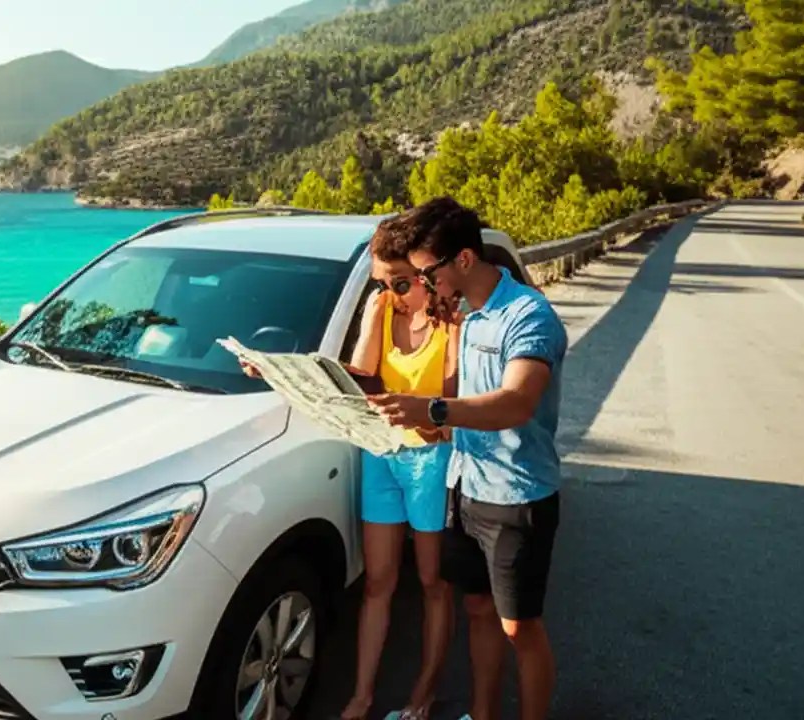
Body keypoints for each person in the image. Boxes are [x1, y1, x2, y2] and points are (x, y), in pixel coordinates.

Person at [243, 216, 460, 720]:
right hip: (381, 451)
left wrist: (419, 414)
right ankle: (361, 697)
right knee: (379, 582)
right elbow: (358, 376)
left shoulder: (455, 323)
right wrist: (280, 370)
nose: (390, 293)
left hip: (431, 458)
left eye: (400, 282)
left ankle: (422, 694)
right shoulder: (380, 308)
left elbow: (448, 410)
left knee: (432, 582)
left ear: (427, 274)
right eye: (381, 282)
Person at [366, 197, 567, 720]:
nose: (422, 284)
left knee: (519, 626)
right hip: (465, 486)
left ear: (462, 260)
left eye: (426, 272)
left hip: (517, 495)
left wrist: (431, 408)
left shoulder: (528, 314)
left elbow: (517, 402)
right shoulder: (466, 313)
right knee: (477, 609)